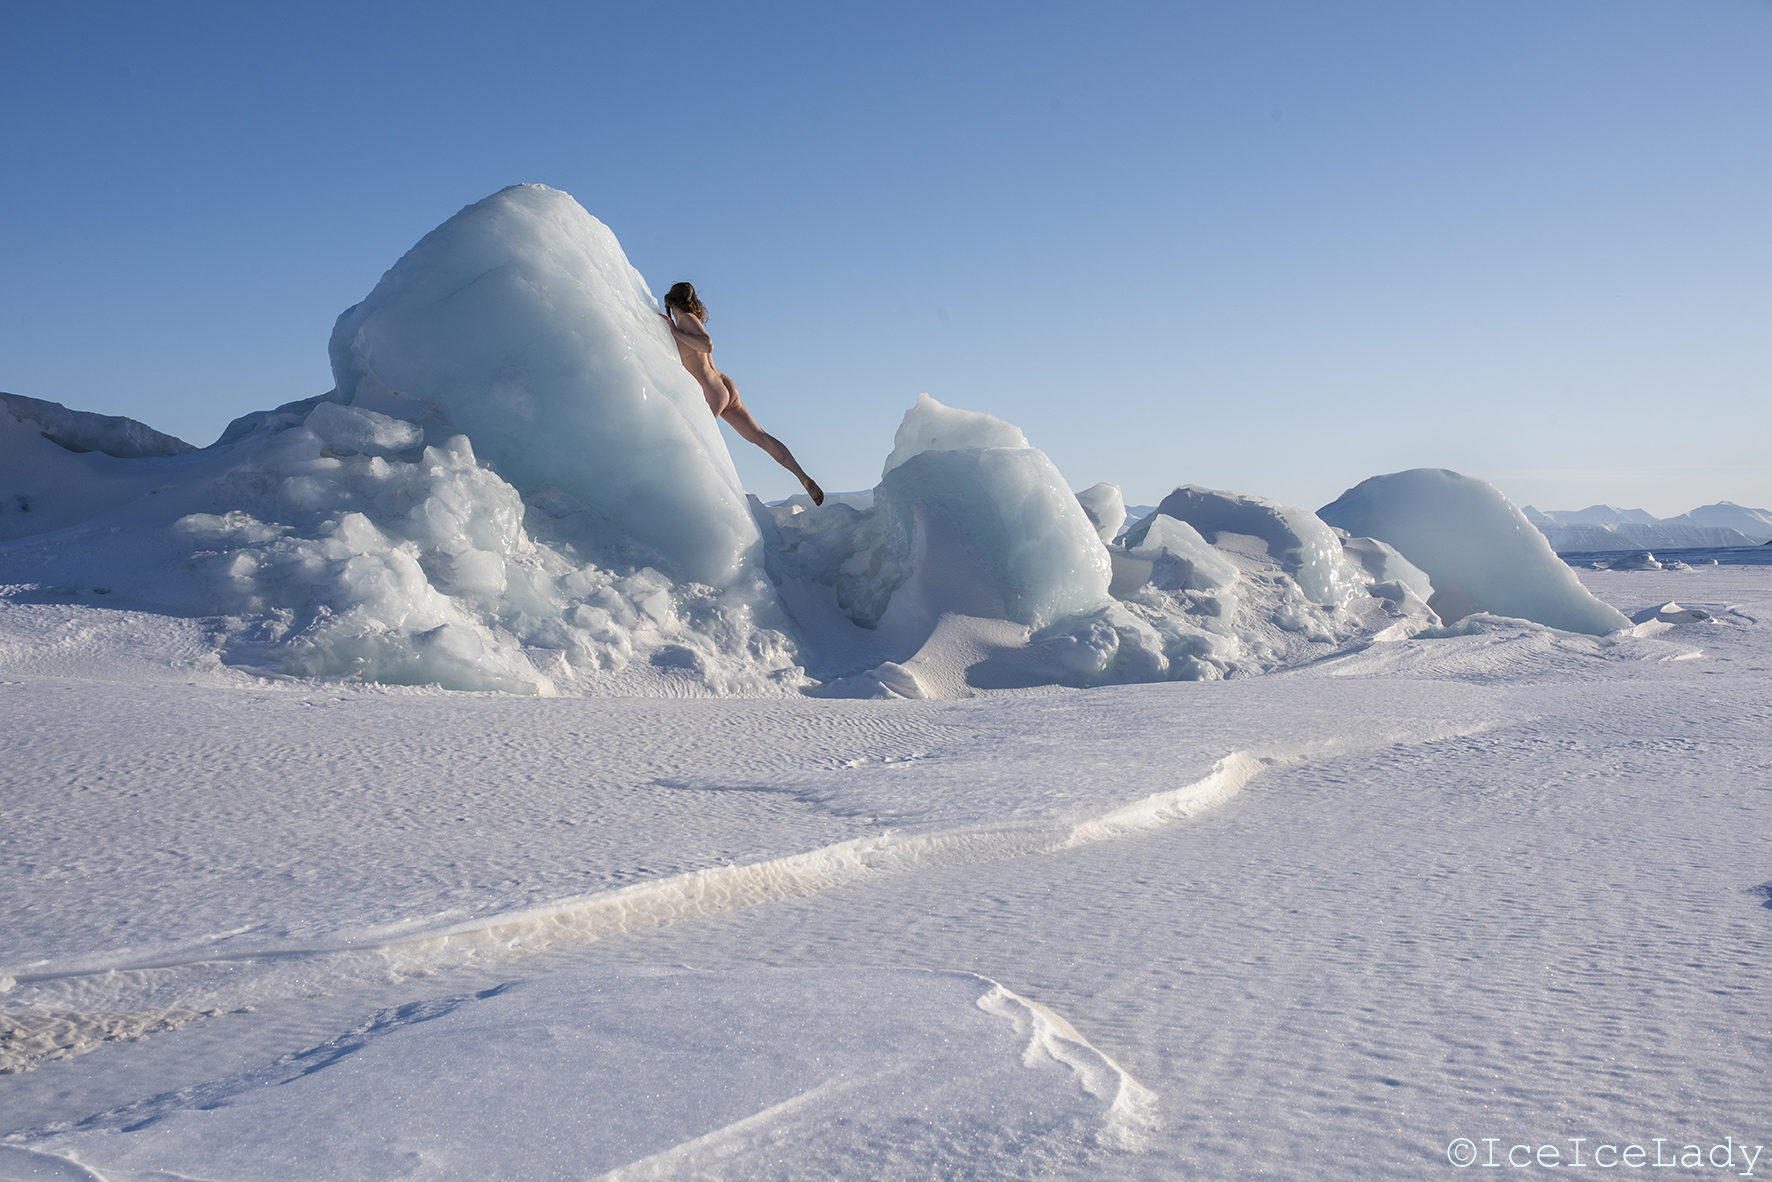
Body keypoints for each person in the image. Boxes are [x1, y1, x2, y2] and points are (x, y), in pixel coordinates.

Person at [659, 282, 824, 506]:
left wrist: (675, 332)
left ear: (670, 301)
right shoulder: (688, 318)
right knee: (760, 436)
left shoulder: (684, 319)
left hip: (712, 389)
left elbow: (707, 344)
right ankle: (802, 477)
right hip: (725, 386)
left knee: (691, 443)